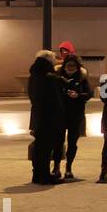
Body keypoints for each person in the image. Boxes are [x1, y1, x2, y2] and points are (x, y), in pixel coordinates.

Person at [24, 50, 63, 183]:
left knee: (39, 146)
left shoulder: (34, 75)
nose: (54, 60)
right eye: (53, 58)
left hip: (37, 115)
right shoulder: (48, 76)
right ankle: (44, 175)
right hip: (48, 116)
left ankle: (37, 174)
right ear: (48, 59)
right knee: (46, 147)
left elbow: (32, 95)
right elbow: (53, 98)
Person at [55, 53, 90, 181]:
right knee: (58, 142)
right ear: (64, 65)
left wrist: (78, 95)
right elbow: (54, 94)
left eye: (73, 65)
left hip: (75, 115)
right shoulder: (58, 77)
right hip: (61, 114)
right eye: (69, 65)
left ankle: (68, 167)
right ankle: (56, 167)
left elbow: (89, 93)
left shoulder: (81, 78)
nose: (70, 68)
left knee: (72, 143)